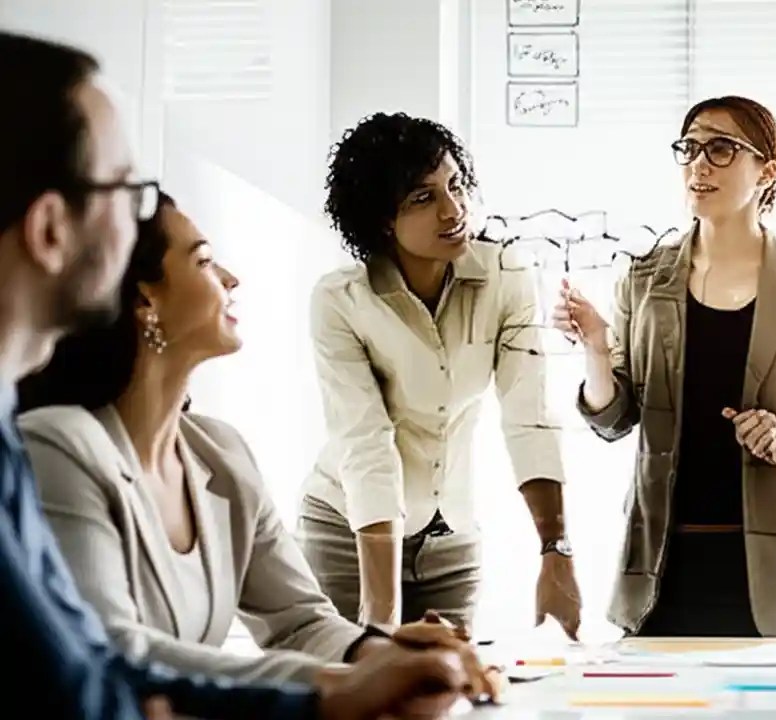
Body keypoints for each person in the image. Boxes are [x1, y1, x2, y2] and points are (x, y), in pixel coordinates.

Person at [0, 30, 464, 719]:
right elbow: (91, 675)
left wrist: (378, 656)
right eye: (128, 190)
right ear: (49, 229)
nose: (134, 221)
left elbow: (98, 669)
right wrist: (332, 692)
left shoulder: (207, 449)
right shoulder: (52, 443)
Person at [14, 191, 498, 703]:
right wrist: (343, 686)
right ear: (144, 300)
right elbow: (120, 650)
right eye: (203, 261)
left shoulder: (220, 452)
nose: (230, 279)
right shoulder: (60, 446)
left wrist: (389, 657)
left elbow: (301, 622)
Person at [555, 95, 776, 637]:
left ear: (768, 171)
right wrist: (595, 346)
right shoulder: (643, 281)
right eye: (689, 148)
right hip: (661, 572)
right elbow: (614, 419)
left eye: (721, 148)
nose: (699, 164)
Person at [298, 111, 580, 636]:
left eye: (455, 186)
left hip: (450, 539)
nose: (454, 211)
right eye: (423, 198)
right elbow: (366, 442)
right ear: (383, 218)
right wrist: (378, 618)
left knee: (447, 697)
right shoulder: (341, 301)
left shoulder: (507, 275)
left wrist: (555, 550)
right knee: (352, 697)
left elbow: (529, 413)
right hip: (348, 534)